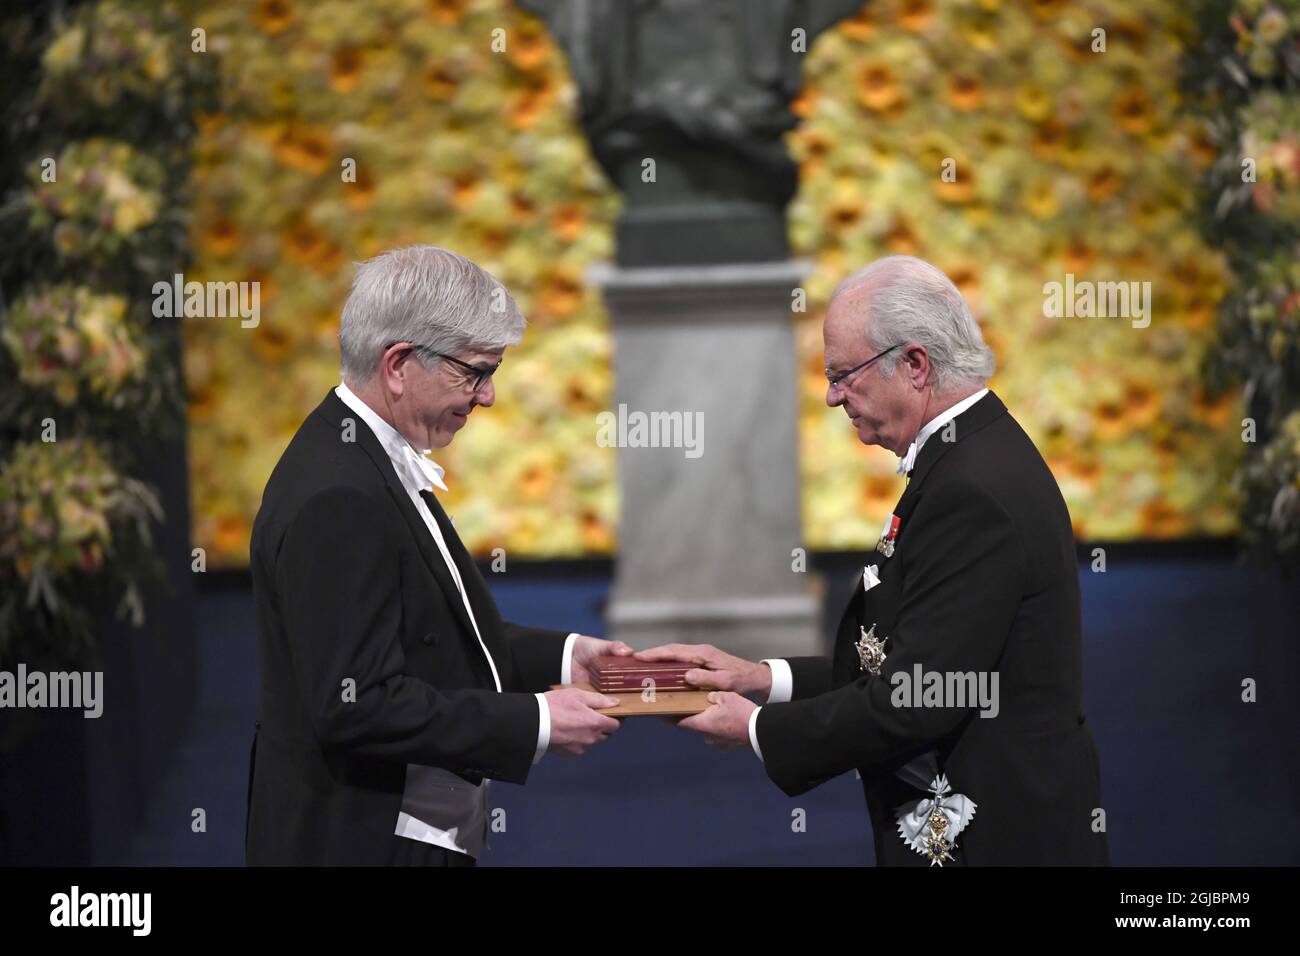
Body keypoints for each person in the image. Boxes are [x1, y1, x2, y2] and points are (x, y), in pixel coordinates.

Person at [641, 255, 1110, 866]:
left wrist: (755, 728)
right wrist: (760, 677)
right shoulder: (967, 457)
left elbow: (917, 697)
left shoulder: (973, 489)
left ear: (914, 364)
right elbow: (910, 655)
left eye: (843, 375)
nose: (834, 397)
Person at [246, 245, 626, 866]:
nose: (488, 396)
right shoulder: (340, 493)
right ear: (398, 364)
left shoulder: (364, 456)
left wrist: (565, 656)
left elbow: (425, 630)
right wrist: (535, 722)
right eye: (475, 372)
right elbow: (356, 704)